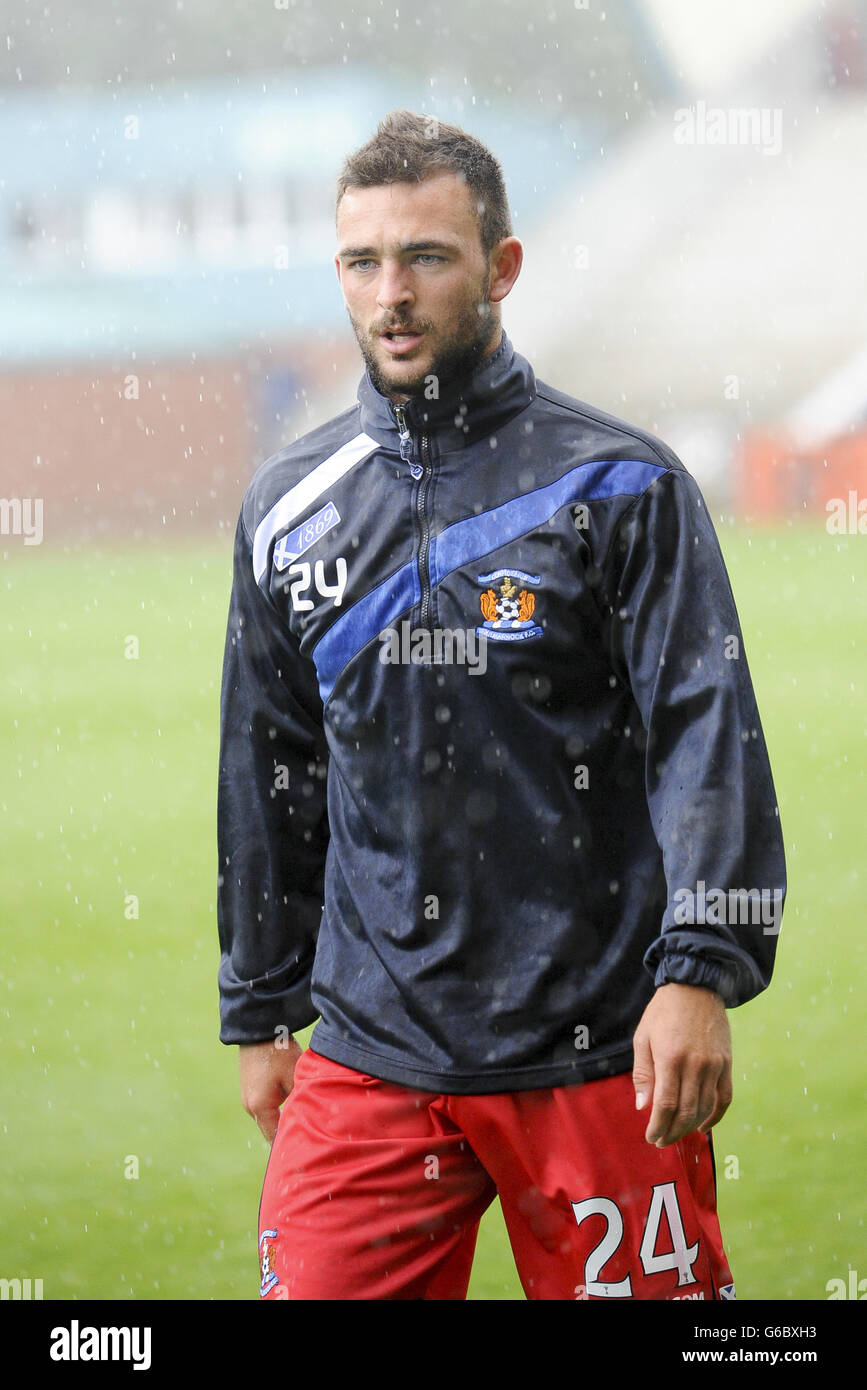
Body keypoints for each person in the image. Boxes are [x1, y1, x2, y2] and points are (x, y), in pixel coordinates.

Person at [217, 110, 786, 1301]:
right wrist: (260, 1005)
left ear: (502, 266)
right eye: (362, 262)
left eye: (427, 256)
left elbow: (706, 733)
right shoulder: (286, 506)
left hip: (596, 1045)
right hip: (373, 1053)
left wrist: (701, 970)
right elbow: (271, 766)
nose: (393, 295)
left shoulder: (621, 485)